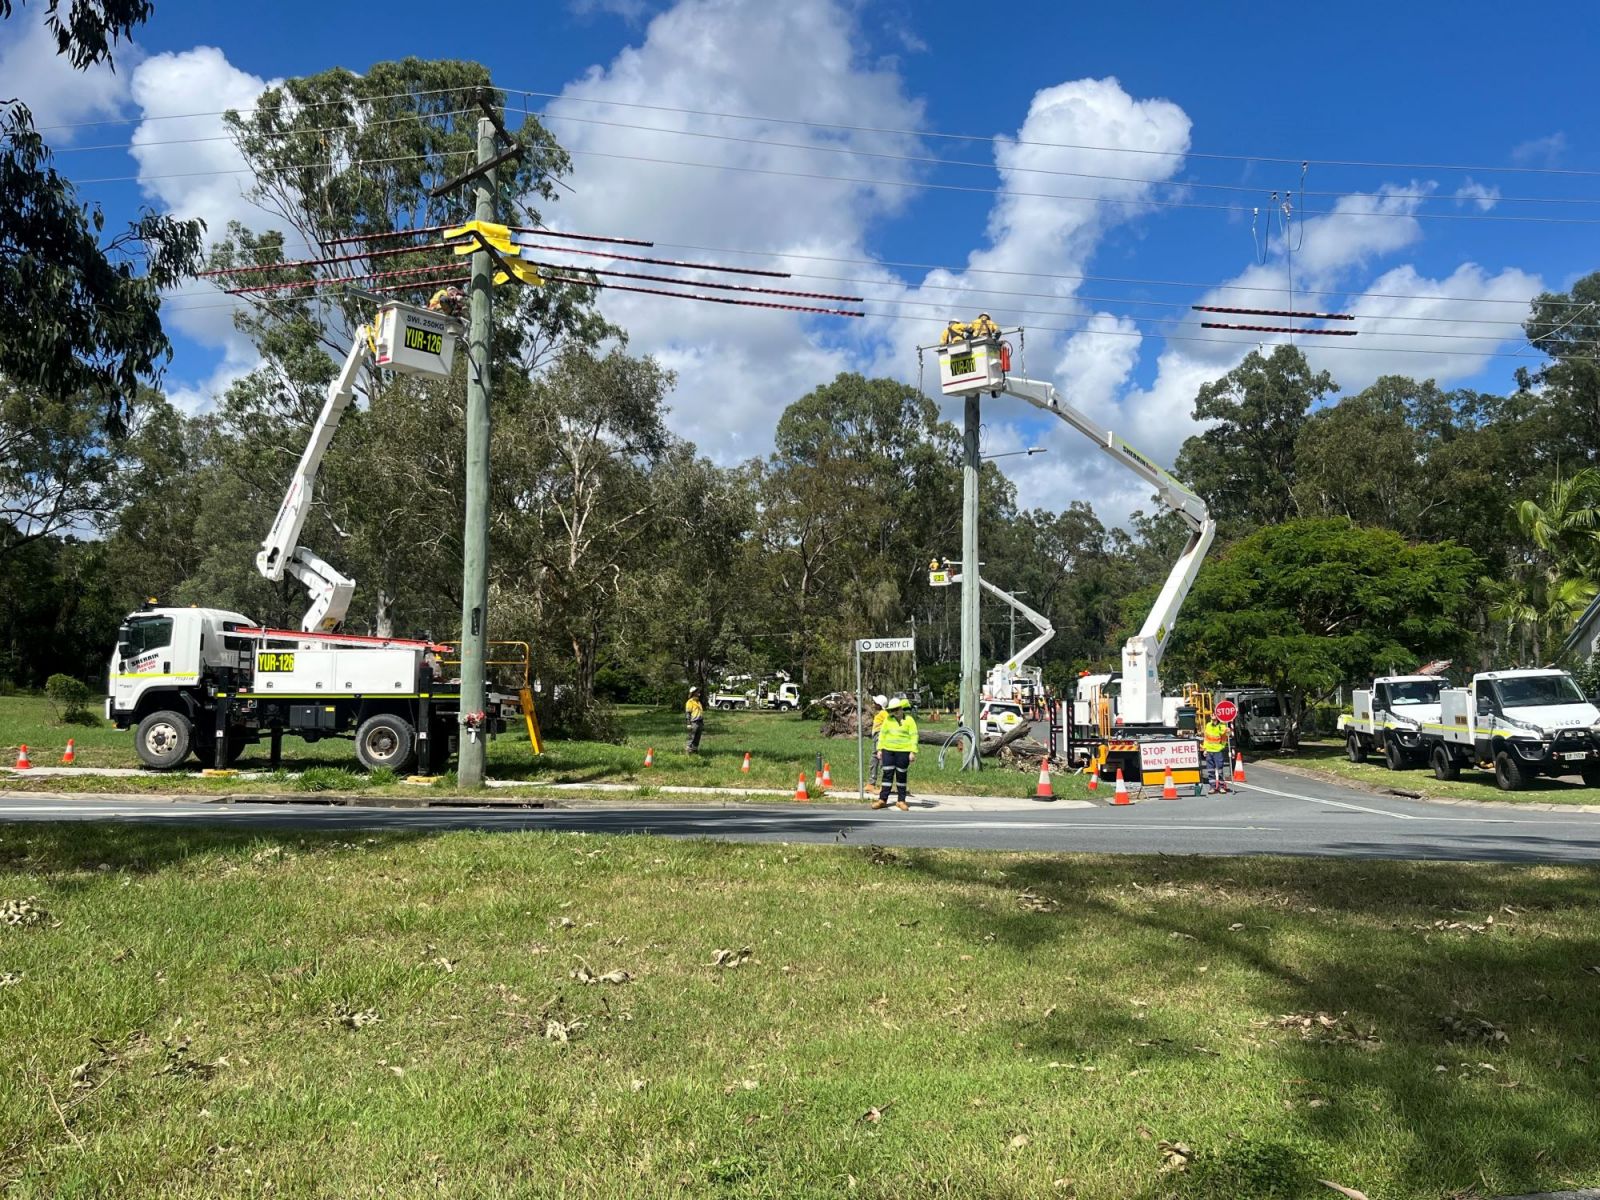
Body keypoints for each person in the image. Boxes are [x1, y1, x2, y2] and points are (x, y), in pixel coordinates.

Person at [872, 696, 919, 811]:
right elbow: (882, 734)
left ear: (901, 709)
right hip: (888, 751)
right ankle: (882, 799)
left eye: (896, 709)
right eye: (892, 710)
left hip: (904, 751)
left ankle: (901, 800)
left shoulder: (909, 720)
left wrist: (913, 751)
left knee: (901, 775)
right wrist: (879, 749)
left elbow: (914, 736)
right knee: (887, 774)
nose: (894, 712)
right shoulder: (888, 720)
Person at [1202, 711, 1231, 793]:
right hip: (1209, 751)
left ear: (1218, 716)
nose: (1212, 715)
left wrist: (1228, 731)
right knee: (1210, 770)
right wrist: (1205, 749)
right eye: (1212, 714)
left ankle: (1221, 786)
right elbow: (1206, 738)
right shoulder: (1208, 725)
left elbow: (1227, 734)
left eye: (1214, 714)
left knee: (1220, 769)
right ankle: (1212, 787)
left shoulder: (1222, 726)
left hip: (1218, 750)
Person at [868, 693, 889, 785]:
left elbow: (888, 724)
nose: (873, 704)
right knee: (875, 757)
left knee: (879, 757)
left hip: (880, 736)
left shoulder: (884, 713)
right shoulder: (880, 713)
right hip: (876, 736)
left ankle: (881, 782)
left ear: (879, 705)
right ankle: (873, 781)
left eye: (875, 702)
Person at [684, 687, 705, 754]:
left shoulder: (698, 702)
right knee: (691, 738)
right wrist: (688, 723)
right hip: (694, 723)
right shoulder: (689, 702)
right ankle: (688, 752)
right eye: (697, 691)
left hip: (700, 722)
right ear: (693, 693)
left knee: (697, 738)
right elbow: (688, 713)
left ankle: (695, 751)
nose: (698, 692)